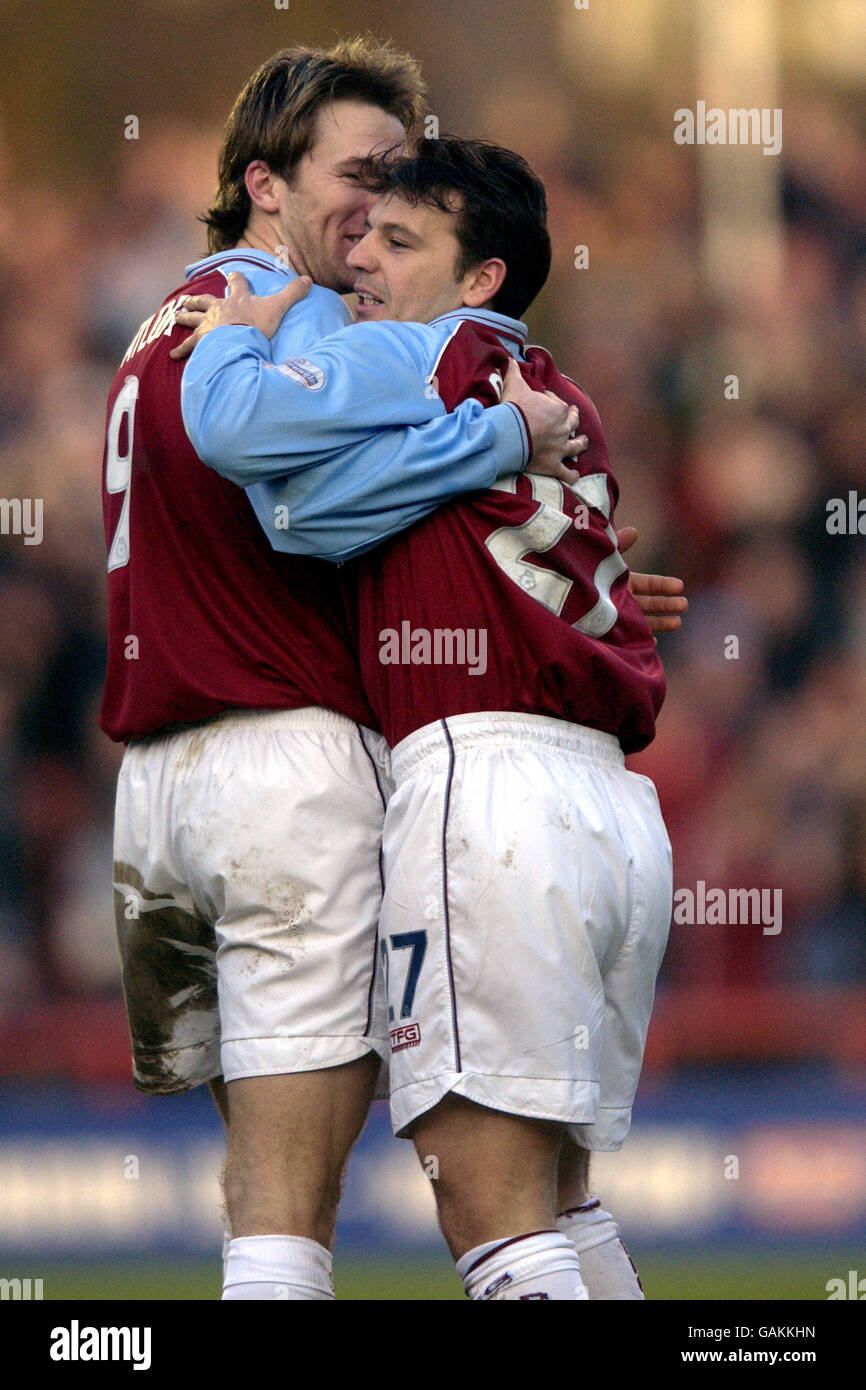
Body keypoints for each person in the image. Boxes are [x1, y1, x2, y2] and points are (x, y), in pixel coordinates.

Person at [101, 40, 589, 1303]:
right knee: (291, 1222)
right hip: (286, 772)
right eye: (358, 173)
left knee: (259, 1189)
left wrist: (521, 573)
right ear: (265, 184)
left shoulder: (159, 321)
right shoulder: (306, 315)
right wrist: (500, 442)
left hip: (155, 801)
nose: (380, 206)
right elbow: (294, 510)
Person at [179, 138, 677, 1300]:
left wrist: (240, 337)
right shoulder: (567, 395)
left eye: (399, 243)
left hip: (484, 786)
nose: (360, 261)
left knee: (488, 1206)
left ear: (479, 280)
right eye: (358, 234)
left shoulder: (428, 354)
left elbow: (271, 479)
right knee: (563, 1198)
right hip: (608, 809)